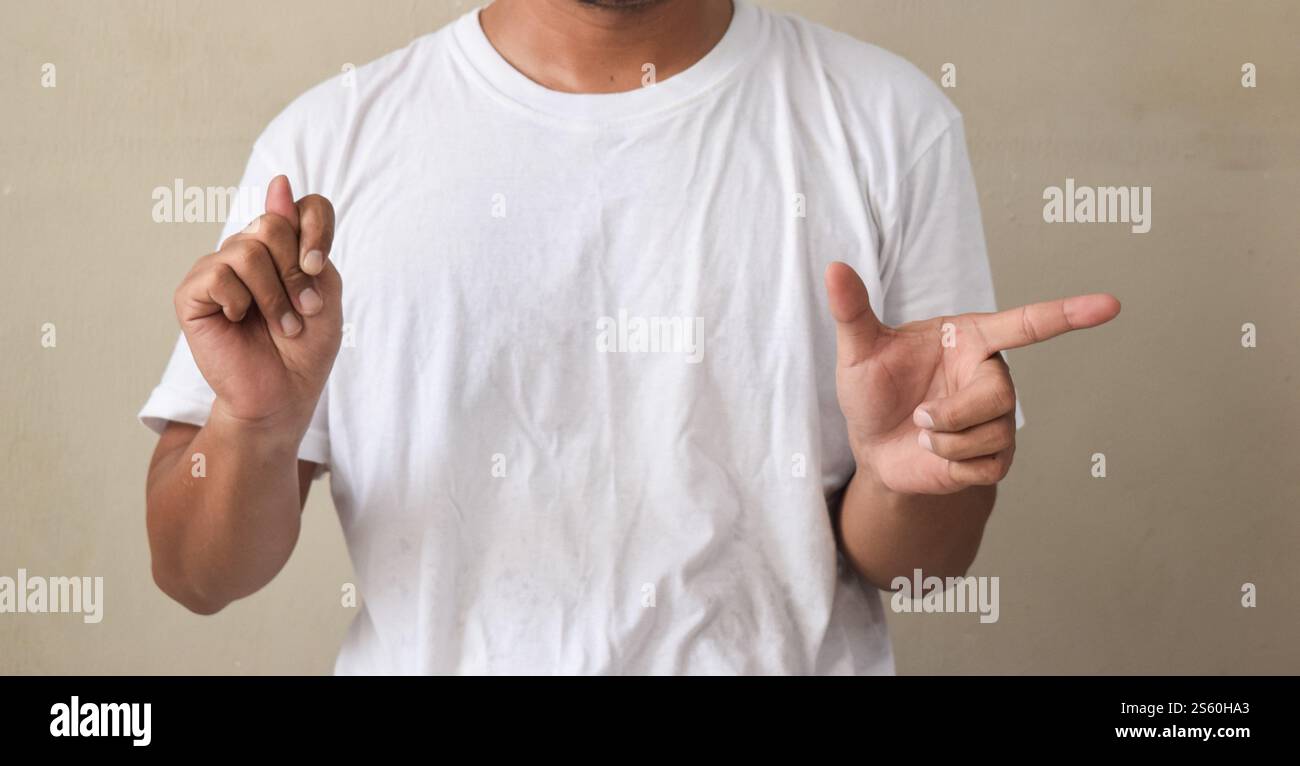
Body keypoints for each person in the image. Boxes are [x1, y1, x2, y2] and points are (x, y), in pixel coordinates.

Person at [140, 0, 1119, 674]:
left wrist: (909, 476)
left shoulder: (889, 123)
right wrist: (255, 426)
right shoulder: (328, 146)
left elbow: (915, 565)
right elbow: (194, 574)